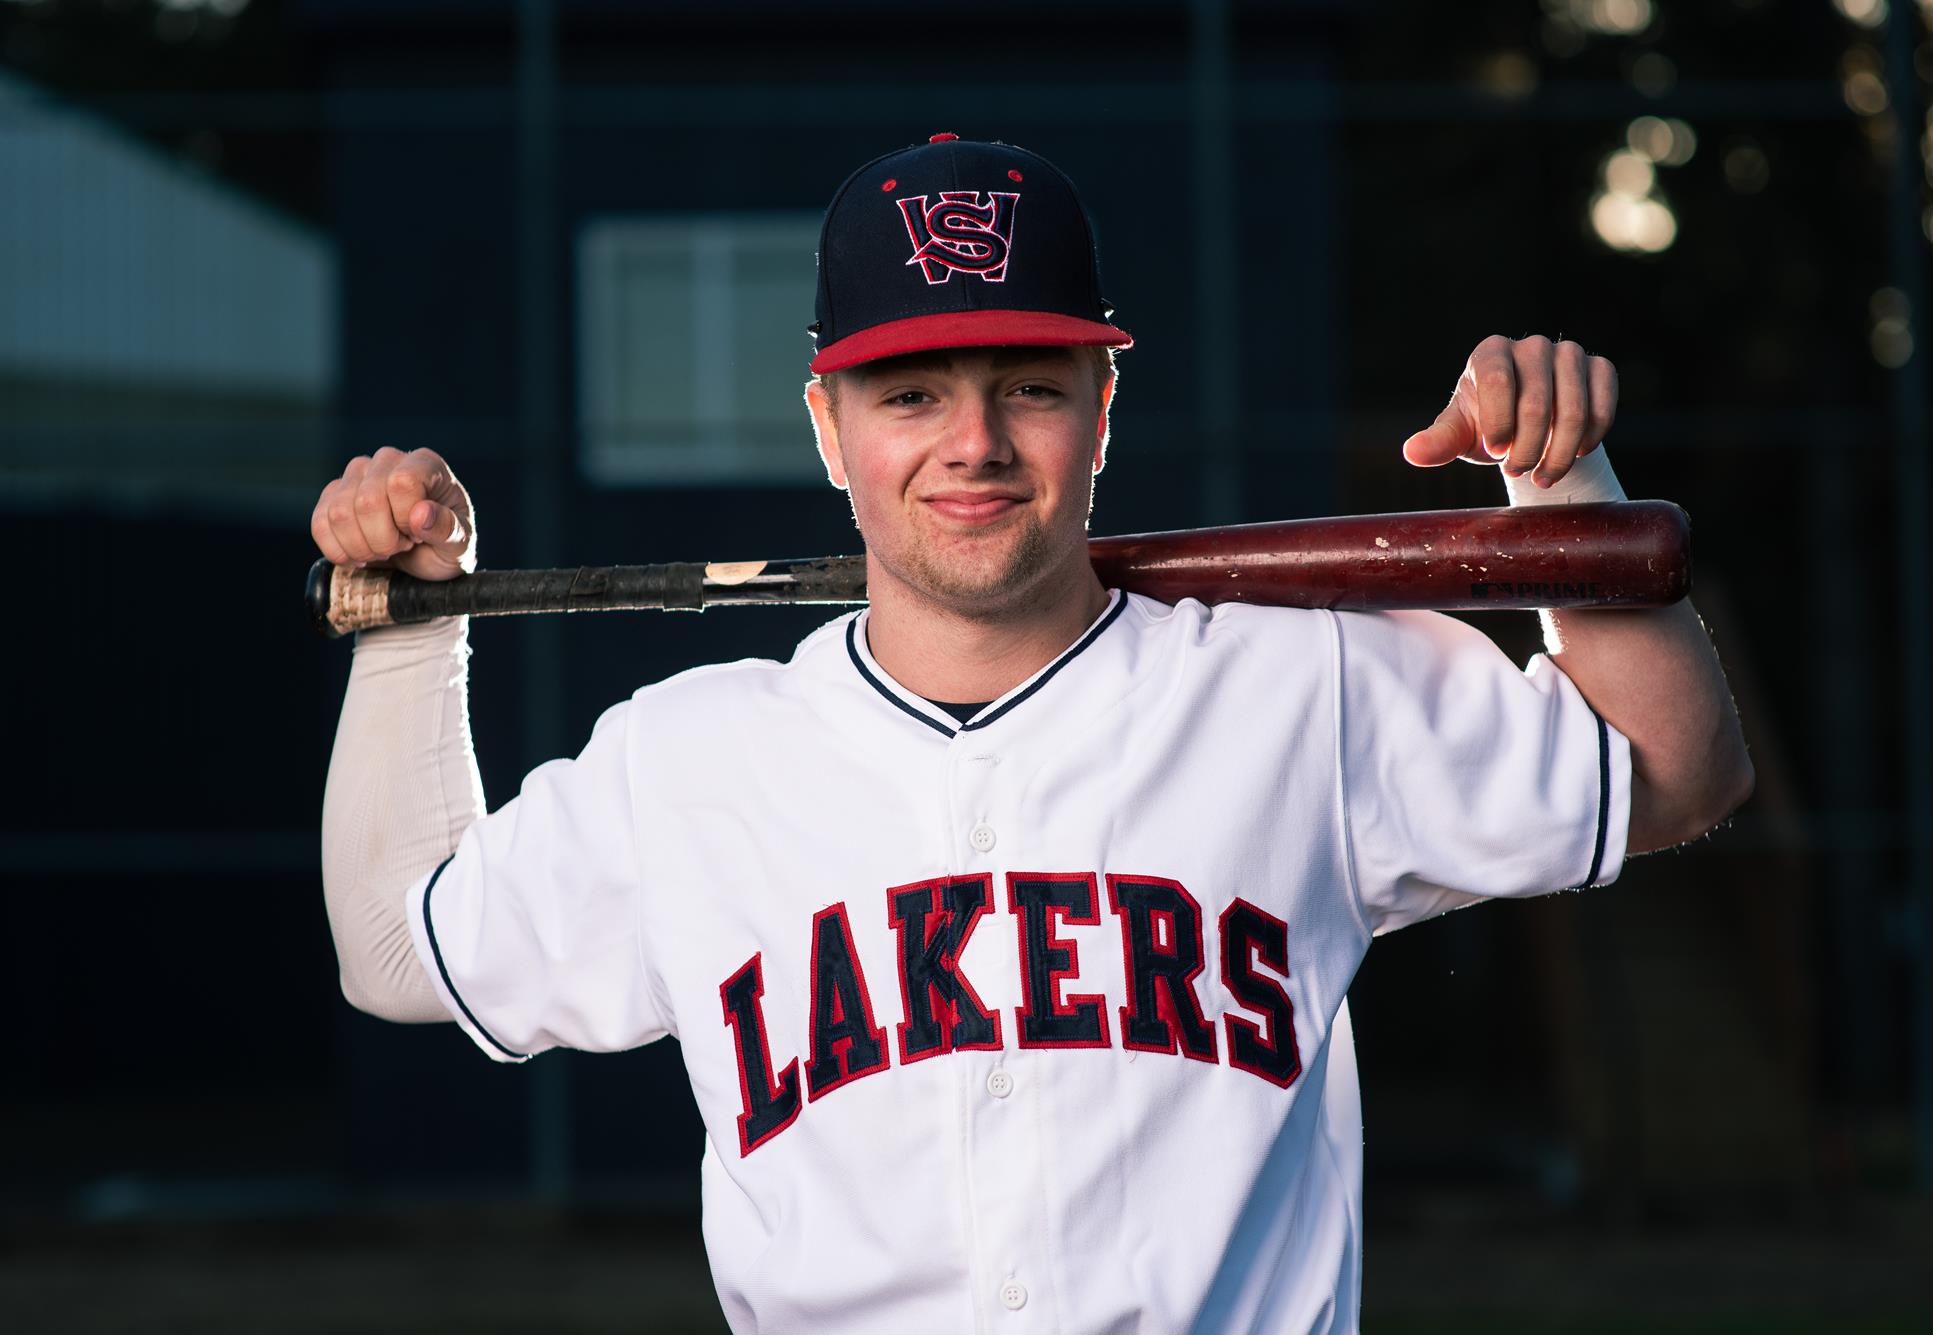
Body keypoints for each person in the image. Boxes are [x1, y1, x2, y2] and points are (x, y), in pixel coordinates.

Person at [315, 134, 1751, 1334]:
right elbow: (397, 951)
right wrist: (410, 633)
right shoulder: (688, 761)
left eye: (1031, 386)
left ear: (1103, 409)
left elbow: (1678, 770)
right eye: (913, 393)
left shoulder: (1296, 692)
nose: (977, 443)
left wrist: (1558, 480)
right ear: (828, 425)